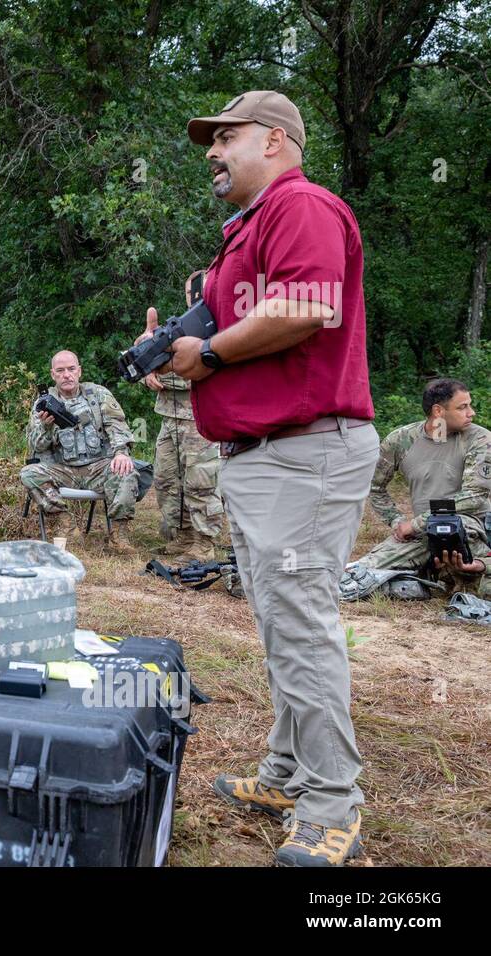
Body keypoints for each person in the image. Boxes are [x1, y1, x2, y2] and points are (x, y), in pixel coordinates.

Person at [148, 90, 378, 866]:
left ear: (276, 140)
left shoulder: (301, 205)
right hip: (263, 456)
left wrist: (208, 355)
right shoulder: (247, 228)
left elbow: (309, 306)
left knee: (302, 626)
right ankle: (287, 772)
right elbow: (248, 328)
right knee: (281, 624)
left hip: (304, 451)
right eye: (207, 140)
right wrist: (180, 349)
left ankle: (331, 801)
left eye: (227, 136)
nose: (212, 150)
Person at [354, 378, 491, 593]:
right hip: (423, 534)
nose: (471, 412)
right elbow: (375, 487)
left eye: (469, 405)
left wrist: (417, 523)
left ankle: (448, 577)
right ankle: (423, 577)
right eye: (462, 407)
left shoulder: (480, 439)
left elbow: (474, 496)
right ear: (438, 411)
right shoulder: (400, 440)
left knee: (456, 540)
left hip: (471, 526)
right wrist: (397, 522)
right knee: (362, 574)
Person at [19, 350, 139, 551]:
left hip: (98, 467)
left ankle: (119, 536)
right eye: (60, 370)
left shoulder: (98, 395)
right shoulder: (43, 404)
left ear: (79, 371)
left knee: (126, 470)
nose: (67, 375)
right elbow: (35, 447)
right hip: (63, 470)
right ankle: (65, 524)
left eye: (71, 369)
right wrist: (47, 428)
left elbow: (117, 426)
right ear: (53, 374)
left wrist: (120, 453)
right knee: (29, 474)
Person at [143, 278, 226, 561]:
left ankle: (204, 543)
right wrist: (149, 370)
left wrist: (171, 373)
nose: (196, 295)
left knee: (200, 482)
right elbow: (158, 368)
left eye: (201, 289)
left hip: (198, 418)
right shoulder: (176, 330)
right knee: (166, 479)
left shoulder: (222, 327)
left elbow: (207, 369)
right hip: (168, 417)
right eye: (192, 291)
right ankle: (182, 538)